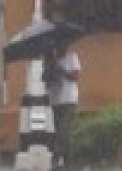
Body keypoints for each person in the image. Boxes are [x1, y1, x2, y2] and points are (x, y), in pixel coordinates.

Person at [43, 39, 80, 170]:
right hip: (56, 100)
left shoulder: (72, 57)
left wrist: (62, 70)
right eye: (58, 45)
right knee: (62, 133)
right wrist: (50, 67)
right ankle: (68, 164)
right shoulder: (50, 61)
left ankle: (55, 157)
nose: (60, 47)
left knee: (63, 130)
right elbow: (45, 81)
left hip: (69, 100)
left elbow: (75, 76)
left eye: (63, 44)